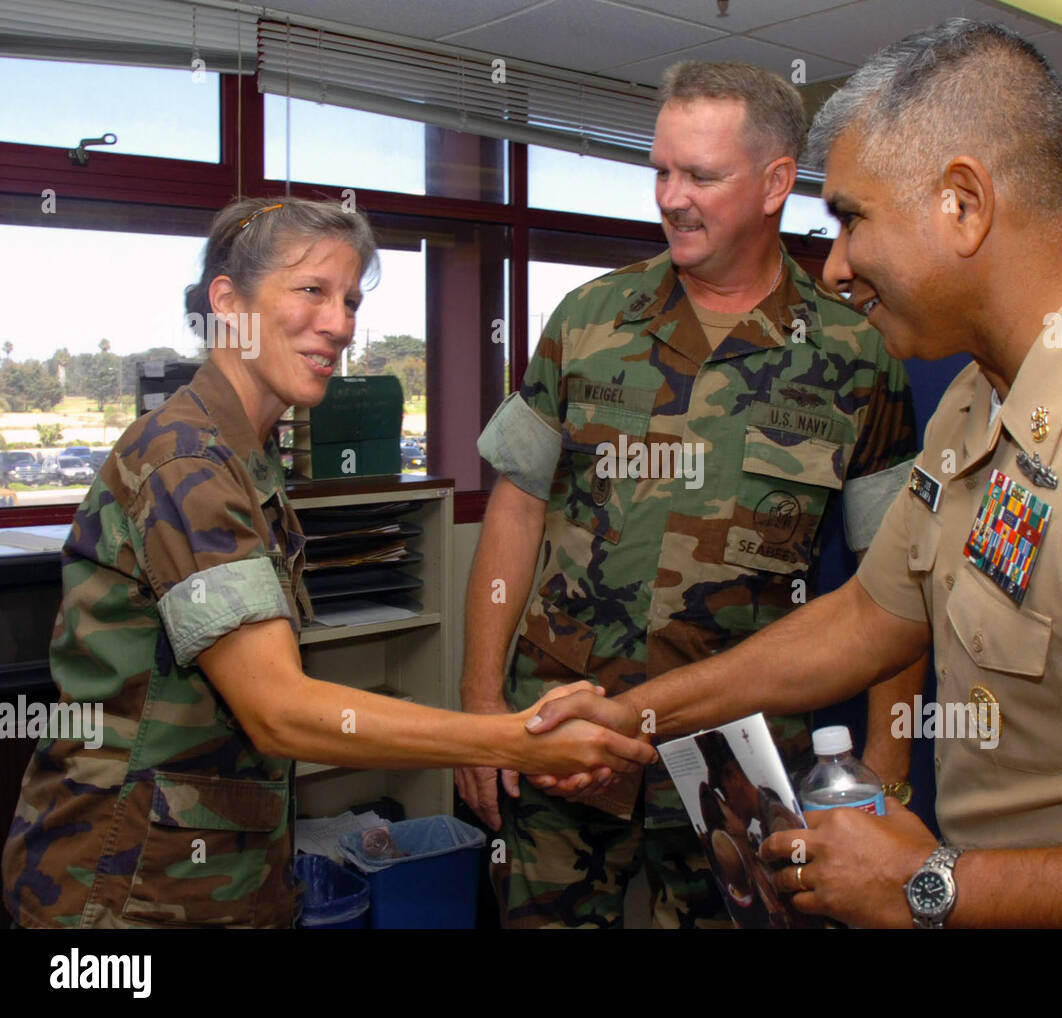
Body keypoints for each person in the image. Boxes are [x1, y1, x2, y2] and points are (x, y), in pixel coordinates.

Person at [531, 20, 1062, 928]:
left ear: (963, 205)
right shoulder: (982, 399)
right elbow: (869, 617)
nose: (837, 265)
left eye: (853, 220)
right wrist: (637, 718)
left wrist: (928, 887)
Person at [1, 197, 655, 930]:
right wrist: (509, 739)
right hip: (122, 891)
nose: (341, 324)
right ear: (228, 301)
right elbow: (279, 709)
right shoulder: (187, 460)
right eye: (311, 290)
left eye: (349, 300)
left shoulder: (243, 454)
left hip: (214, 875)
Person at [459, 60, 923, 928]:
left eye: (701, 175)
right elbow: (517, 507)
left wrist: (885, 784)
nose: (671, 197)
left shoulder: (856, 357)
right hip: (563, 736)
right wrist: (481, 711)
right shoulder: (588, 321)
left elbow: (896, 586)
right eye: (661, 171)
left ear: (776, 183)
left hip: (735, 760)